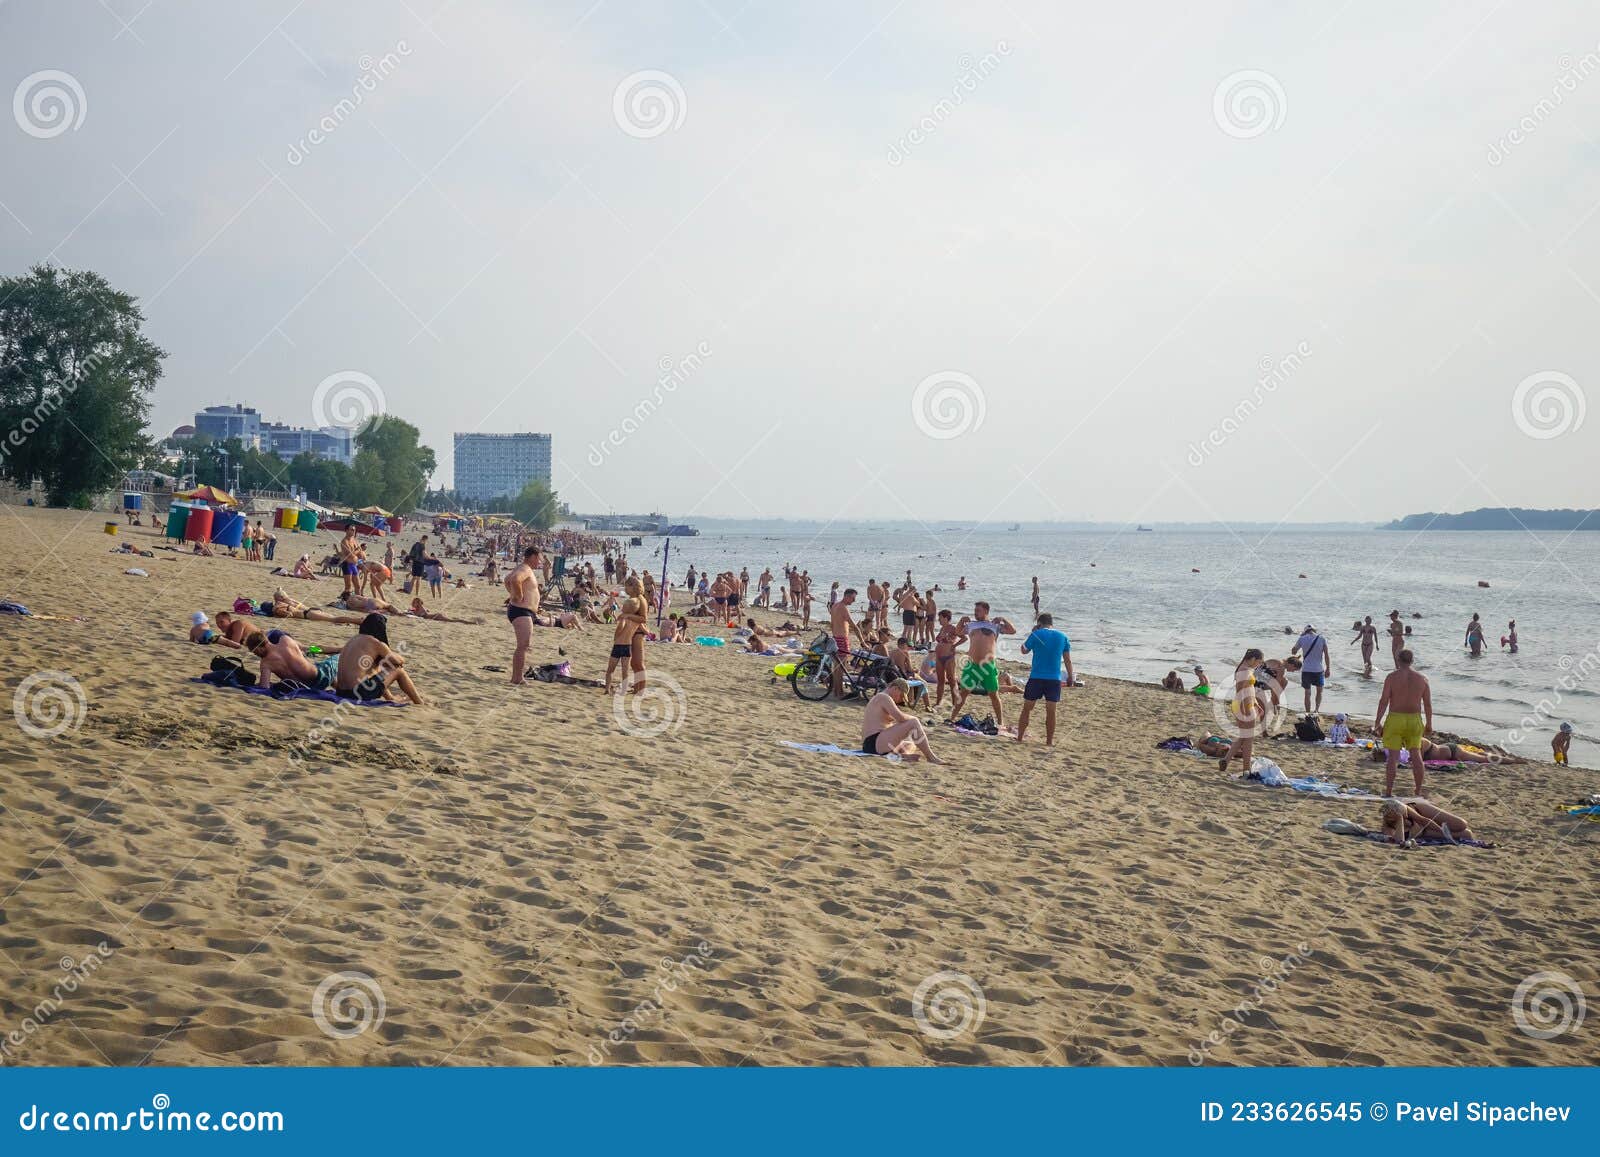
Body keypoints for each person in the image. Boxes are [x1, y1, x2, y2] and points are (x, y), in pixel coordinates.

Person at [1373, 648, 1433, 797]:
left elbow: (1384, 701)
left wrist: (1377, 722)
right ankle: (1418, 790)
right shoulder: (1422, 679)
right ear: (1412, 661)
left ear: (1398, 660)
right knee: (1416, 754)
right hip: (1414, 719)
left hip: (1396, 718)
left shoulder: (1391, 677)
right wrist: (1429, 723)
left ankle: (1388, 791)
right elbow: (1427, 704)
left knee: (1393, 757)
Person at [949, 602, 1018, 728]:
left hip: (988, 666)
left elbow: (1012, 631)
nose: (975, 613)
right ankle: (951, 718)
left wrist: (1003, 619)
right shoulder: (971, 625)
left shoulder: (994, 625)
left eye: (978, 611)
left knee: (993, 694)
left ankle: (1000, 723)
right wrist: (961, 621)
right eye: (975, 610)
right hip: (972, 665)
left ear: (986, 611)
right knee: (964, 693)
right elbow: (958, 631)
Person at [336, 614, 426, 703]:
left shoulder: (353, 640)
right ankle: (419, 702)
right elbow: (398, 661)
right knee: (398, 670)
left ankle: (390, 698)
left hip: (340, 691)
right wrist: (400, 657)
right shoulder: (375, 643)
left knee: (379, 670)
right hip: (357, 692)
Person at [1015, 613, 1072, 745]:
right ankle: (1049, 741)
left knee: (1027, 708)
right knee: (1051, 711)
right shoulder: (1063, 636)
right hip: (1054, 679)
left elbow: (1024, 650)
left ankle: (1019, 738)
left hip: (1036, 677)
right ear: (1052, 623)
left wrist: (1032, 632)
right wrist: (1070, 676)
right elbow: (1067, 660)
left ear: (1039, 623)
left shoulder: (1036, 634)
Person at [861, 679, 942, 762]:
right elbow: (900, 718)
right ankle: (930, 757)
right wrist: (914, 719)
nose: (900, 699)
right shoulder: (884, 697)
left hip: (876, 742)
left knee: (910, 744)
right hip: (873, 742)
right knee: (914, 722)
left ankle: (903, 756)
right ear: (895, 688)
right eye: (901, 696)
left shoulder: (882, 698)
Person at [505, 546, 542, 686]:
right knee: (523, 646)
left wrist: (512, 594)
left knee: (524, 645)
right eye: (539, 558)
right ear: (533, 556)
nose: (539, 561)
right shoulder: (525, 568)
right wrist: (518, 596)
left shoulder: (523, 568)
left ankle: (517, 677)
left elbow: (506, 579)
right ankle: (517, 678)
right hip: (521, 611)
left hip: (523, 611)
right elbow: (514, 580)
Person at [1378, 799, 1479, 846]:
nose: (1406, 816)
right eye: (1403, 815)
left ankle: (1445, 828)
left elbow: (1423, 820)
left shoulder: (1408, 810)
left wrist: (1442, 831)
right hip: (1424, 831)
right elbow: (1398, 841)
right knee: (1467, 834)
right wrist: (1400, 820)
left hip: (1421, 810)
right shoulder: (1387, 827)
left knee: (1461, 824)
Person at [828, 588, 866, 699]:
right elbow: (854, 626)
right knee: (841, 667)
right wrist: (862, 641)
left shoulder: (834, 606)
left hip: (835, 637)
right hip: (841, 639)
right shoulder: (843, 608)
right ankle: (839, 692)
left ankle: (836, 691)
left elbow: (832, 623)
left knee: (836, 667)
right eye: (853, 598)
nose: (853, 601)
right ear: (847, 596)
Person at [1292, 624, 1330, 713]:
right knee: (1319, 692)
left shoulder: (1302, 638)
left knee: (1307, 693)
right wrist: (1328, 668)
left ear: (1305, 631)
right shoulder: (1322, 639)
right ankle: (1316, 710)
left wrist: (1301, 637)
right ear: (1314, 630)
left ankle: (1308, 713)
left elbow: (1293, 651)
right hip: (1319, 670)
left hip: (1306, 670)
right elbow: (1326, 655)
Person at [337, 527, 362, 596]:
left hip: (354, 565)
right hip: (347, 564)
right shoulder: (344, 541)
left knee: (358, 586)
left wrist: (357, 551)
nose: (354, 531)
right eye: (352, 530)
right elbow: (350, 554)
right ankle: (345, 601)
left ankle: (359, 601)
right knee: (348, 587)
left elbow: (359, 551)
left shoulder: (353, 540)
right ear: (346, 530)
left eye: (354, 530)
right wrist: (358, 551)